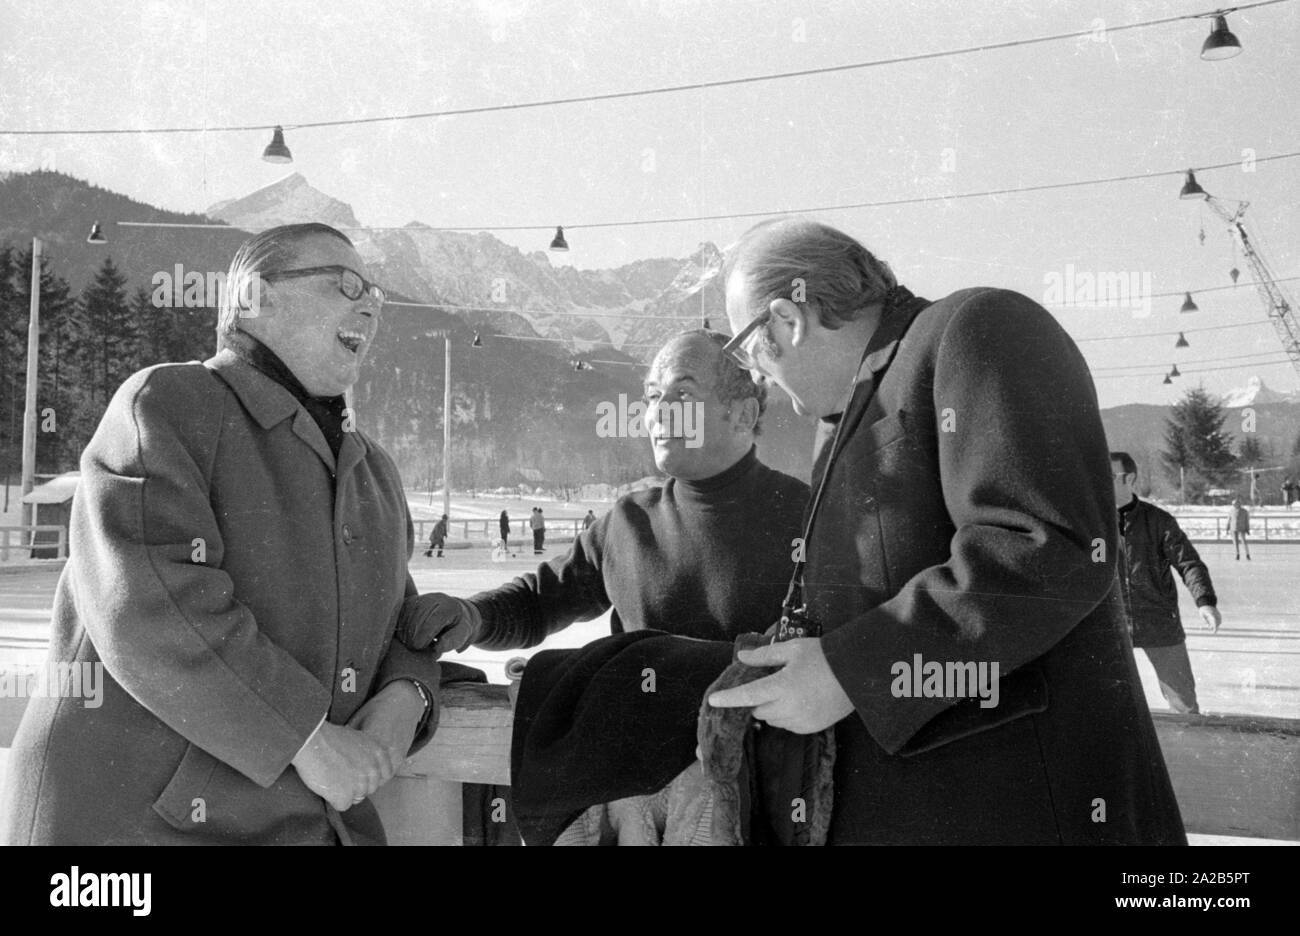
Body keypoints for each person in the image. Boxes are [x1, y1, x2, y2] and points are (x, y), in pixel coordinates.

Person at [707, 217, 1184, 844]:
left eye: (747, 351)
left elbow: (1044, 543)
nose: (758, 377)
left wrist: (853, 671)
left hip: (1027, 816)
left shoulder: (977, 329)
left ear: (786, 321)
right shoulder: (845, 416)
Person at [1, 223, 441, 846]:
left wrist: (409, 693)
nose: (369, 303)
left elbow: (398, 614)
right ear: (256, 297)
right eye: (345, 284)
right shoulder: (167, 404)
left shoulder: (374, 471)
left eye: (375, 292)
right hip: (130, 832)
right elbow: (151, 603)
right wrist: (307, 739)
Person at [397, 329, 809, 654]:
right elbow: (540, 602)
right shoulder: (630, 522)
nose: (658, 412)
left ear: (743, 415)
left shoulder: (809, 519)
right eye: (652, 395)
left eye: (683, 393)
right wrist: (473, 616)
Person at [1111, 451, 1221, 714]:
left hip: (1158, 620)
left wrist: (1205, 602)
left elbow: (1188, 563)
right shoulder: (1095, 524)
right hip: (1110, 623)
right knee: (1102, 705)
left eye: (1111, 476)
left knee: (1184, 703)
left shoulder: (1158, 521)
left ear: (1131, 479)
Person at [1227, 496, 1251, 561]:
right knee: (1235, 542)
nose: (1235, 505)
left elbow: (1247, 521)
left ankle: (1247, 554)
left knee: (1243, 541)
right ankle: (1237, 554)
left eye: (1236, 504)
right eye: (1234, 504)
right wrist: (1227, 528)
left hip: (1242, 528)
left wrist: (1247, 529)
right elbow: (1229, 520)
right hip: (1233, 528)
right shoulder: (1231, 511)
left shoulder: (1244, 511)